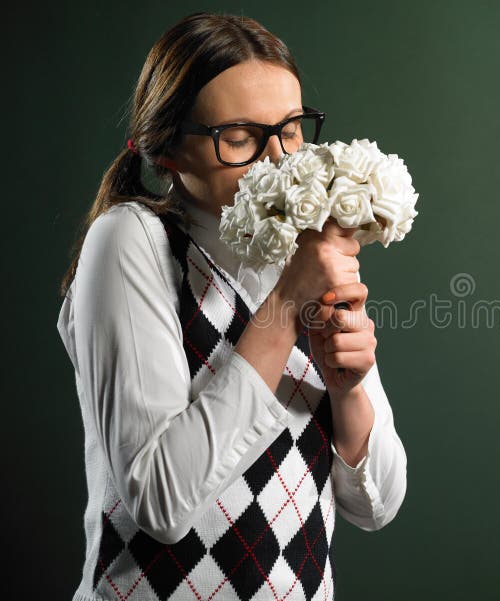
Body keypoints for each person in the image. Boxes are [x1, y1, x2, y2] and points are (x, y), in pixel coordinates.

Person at [56, 12, 407, 601]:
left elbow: (378, 505)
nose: (279, 160)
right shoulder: (131, 240)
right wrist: (285, 305)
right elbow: (159, 502)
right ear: (167, 149)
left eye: (292, 129)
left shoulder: (304, 248)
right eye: (241, 138)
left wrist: (349, 389)